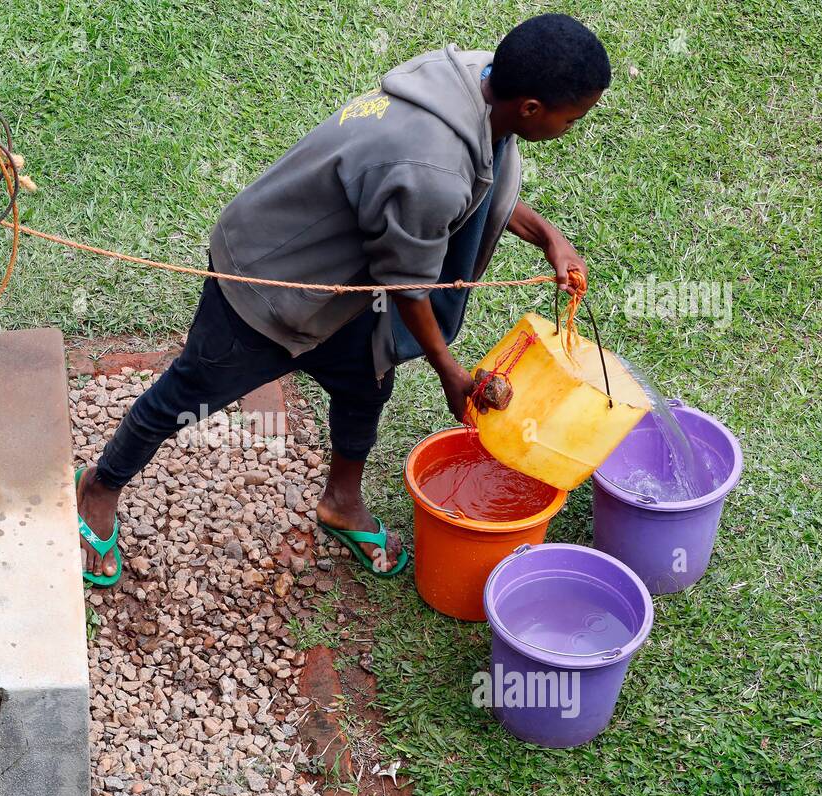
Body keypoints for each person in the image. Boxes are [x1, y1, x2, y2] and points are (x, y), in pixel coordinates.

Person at [77, 13, 611, 586]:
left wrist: (549, 237)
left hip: (349, 288)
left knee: (367, 382)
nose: (571, 127)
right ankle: (100, 485)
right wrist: (450, 373)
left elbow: (468, 189)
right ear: (530, 107)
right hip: (269, 279)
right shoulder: (429, 167)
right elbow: (410, 283)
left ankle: (341, 501)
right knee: (192, 390)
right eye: (572, 117)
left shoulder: (477, 80)